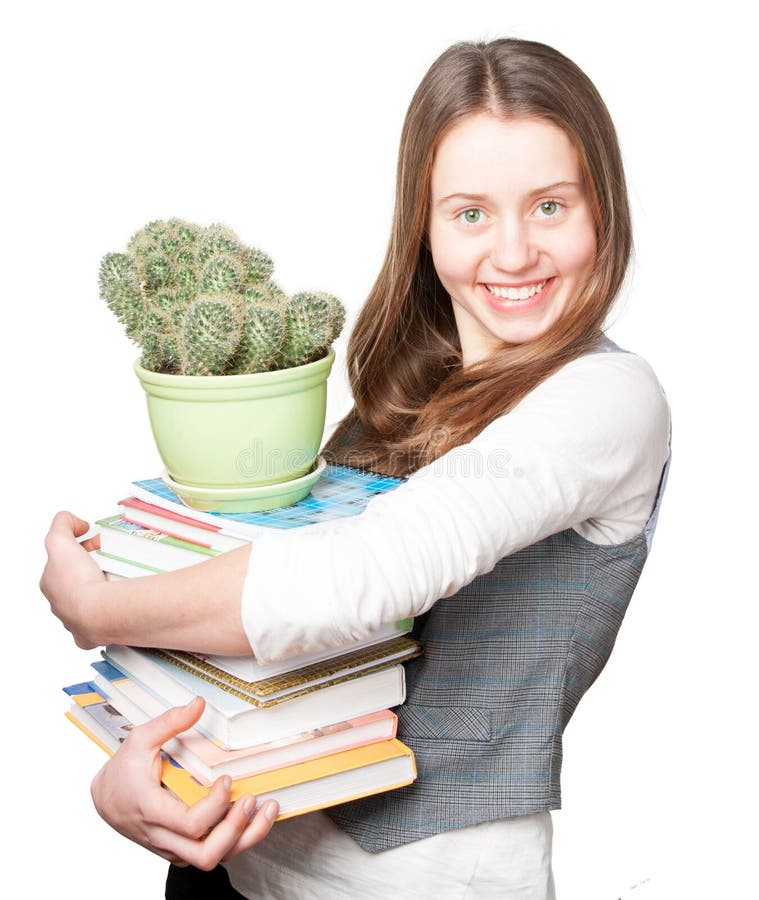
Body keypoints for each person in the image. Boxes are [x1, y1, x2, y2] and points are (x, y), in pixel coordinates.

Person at [41, 37, 670, 900]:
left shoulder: (609, 399)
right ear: (424, 223)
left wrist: (93, 607)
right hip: (236, 867)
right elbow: (257, 638)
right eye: (471, 213)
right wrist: (136, 774)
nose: (515, 252)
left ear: (604, 208)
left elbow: (349, 583)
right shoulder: (394, 395)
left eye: (551, 205)